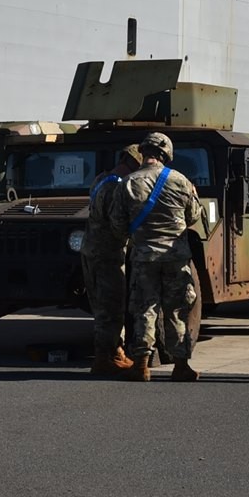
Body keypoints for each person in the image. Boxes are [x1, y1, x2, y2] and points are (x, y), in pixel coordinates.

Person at [120, 130, 203, 382]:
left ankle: (142, 364)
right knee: (177, 310)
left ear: (143, 152)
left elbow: (117, 221)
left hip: (144, 256)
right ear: (166, 153)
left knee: (145, 308)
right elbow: (193, 217)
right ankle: (181, 365)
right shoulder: (181, 181)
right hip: (176, 257)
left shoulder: (129, 182)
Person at [82, 144, 141, 376]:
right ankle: (107, 358)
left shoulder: (101, 180)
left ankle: (112, 353)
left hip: (91, 249)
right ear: (133, 162)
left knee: (101, 304)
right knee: (112, 305)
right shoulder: (118, 187)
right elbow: (117, 225)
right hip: (108, 253)